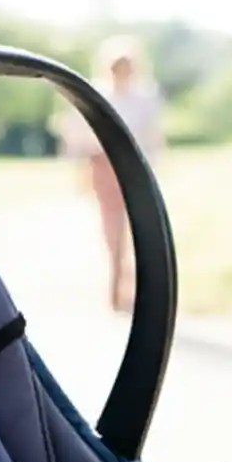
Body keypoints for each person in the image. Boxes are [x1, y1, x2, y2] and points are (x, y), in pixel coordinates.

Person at [58, 36, 165, 312]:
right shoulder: (97, 93)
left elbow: (153, 135)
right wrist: (83, 164)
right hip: (103, 165)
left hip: (134, 166)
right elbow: (77, 132)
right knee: (110, 223)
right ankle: (117, 275)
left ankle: (126, 275)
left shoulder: (145, 97)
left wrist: (152, 166)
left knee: (136, 221)